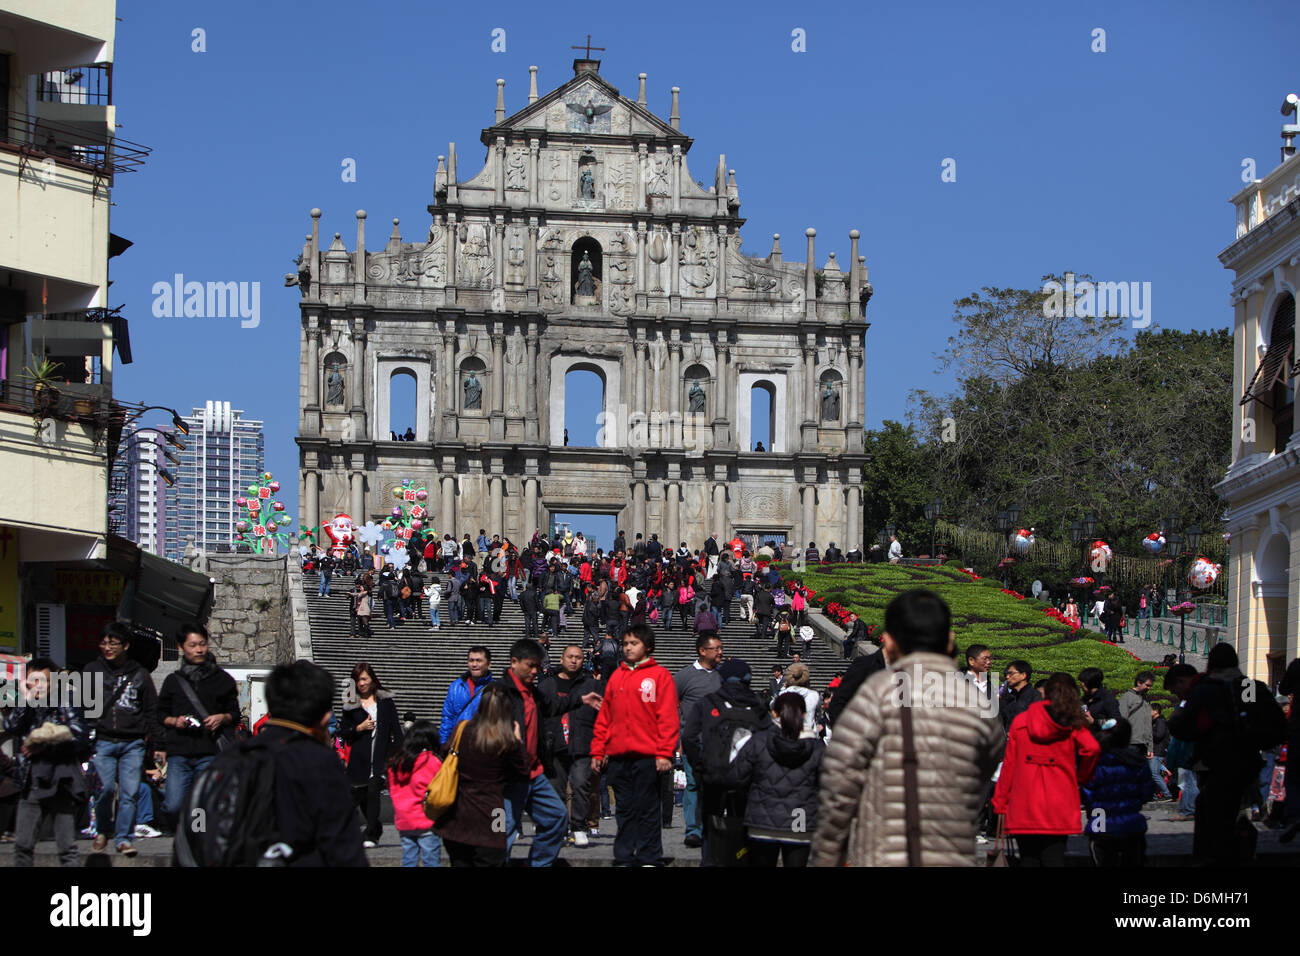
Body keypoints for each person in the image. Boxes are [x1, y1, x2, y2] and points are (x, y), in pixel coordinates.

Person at [811, 590, 1005, 866]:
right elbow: (990, 758)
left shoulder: (879, 691)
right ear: (946, 639)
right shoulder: (969, 698)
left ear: (891, 639)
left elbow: (840, 782)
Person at [1168, 643, 1287, 864]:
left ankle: (1215, 858)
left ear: (1211, 663)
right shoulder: (1248, 686)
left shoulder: (1205, 688)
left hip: (1214, 764)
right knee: (1238, 813)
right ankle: (1241, 854)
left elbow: (1181, 726)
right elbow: (1262, 718)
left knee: (1211, 817)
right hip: (1246, 764)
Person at [501, 638, 602, 866]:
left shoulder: (533, 691)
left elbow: (553, 705)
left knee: (557, 817)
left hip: (534, 772)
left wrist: (581, 700)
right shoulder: (498, 692)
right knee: (504, 829)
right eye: (531, 665)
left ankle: (539, 863)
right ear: (514, 662)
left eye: (538, 666)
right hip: (509, 773)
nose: (536, 671)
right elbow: (485, 731)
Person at [590, 623, 680, 866]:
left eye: (634, 644)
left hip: (648, 755)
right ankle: (624, 855)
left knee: (648, 808)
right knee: (624, 809)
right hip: (619, 755)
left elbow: (668, 717)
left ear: (647, 647)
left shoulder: (659, 676)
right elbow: (605, 718)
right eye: (625, 644)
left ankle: (649, 855)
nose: (628, 648)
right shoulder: (617, 676)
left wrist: (664, 752)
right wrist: (599, 750)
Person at [993, 672, 1101, 867]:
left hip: (1024, 799)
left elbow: (1009, 765)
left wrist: (1000, 800)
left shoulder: (1022, 721)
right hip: (1059, 798)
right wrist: (1081, 778)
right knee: (1055, 858)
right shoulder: (1072, 722)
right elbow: (1092, 748)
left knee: (1027, 859)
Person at [82, 621, 163, 857]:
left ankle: (124, 838)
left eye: (113, 643)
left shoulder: (140, 675)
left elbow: (151, 712)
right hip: (104, 740)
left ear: (125, 645)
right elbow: (85, 709)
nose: (107, 647)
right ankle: (103, 830)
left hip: (133, 743)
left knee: (130, 792)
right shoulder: (91, 671)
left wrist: (158, 745)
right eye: (104, 643)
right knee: (105, 789)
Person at [4, 658, 91, 867]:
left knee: (66, 847)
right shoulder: (27, 705)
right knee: (23, 845)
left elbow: (80, 735)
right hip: (31, 780)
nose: (39, 686)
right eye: (34, 680)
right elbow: (11, 726)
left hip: (61, 780)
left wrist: (44, 743)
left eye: (44, 680)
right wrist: (25, 701)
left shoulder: (66, 699)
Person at [157, 623, 240, 834]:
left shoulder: (223, 680)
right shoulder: (173, 682)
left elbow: (235, 714)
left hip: (209, 750)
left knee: (202, 803)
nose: (199, 650)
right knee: (173, 803)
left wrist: (222, 717)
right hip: (179, 751)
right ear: (181, 648)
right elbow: (160, 714)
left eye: (202, 644)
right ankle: (181, 832)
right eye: (192, 645)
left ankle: (197, 839)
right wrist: (175, 721)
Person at [434, 683, 530, 866]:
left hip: (458, 814)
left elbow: (445, 753)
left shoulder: (463, 729)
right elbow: (522, 772)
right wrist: (518, 742)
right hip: (494, 813)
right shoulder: (507, 740)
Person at [732, 692, 824, 867]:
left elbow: (738, 777)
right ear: (804, 714)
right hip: (801, 822)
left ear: (773, 713)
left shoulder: (757, 741)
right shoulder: (817, 748)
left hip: (761, 821)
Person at [539, 644, 604, 848]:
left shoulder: (592, 685)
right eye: (570, 656)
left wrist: (602, 747)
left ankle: (578, 827)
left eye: (578, 657)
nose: (574, 660)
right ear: (561, 659)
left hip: (583, 743)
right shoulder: (546, 686)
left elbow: (604, 716)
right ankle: (558, 829)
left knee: (580, 786)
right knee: (555, 790)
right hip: (554, 744)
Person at [339, 662, 404, 847]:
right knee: (359, 796)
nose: (361, 683)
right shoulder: (351, 705)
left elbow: (396, 730)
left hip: (380, 756)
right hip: (360, 758)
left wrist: (397, 753)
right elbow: (343, 732)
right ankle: (374, 826)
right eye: (358, 680)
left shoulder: (385, 702)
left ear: (372, 679)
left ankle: (370, 834)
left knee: (373, 789)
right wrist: (358, 728)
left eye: (365, 679)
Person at [1080, 716, 1156, 866]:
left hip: (1100, 822)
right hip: (1131, 823)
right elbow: (1146, 793)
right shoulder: (1137, 761)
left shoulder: (1095, 760)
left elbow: (1086, 793)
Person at [674, 633, 723, 850]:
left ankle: (713, 826)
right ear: (702, 651)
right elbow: (670, 705)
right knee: (693, 784)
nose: (720, 652)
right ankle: (693, 829)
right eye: (716, 648)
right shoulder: (684, 676)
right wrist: (678, 738)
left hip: (720, 743)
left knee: (716, 787)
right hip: (693, 742)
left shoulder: (723, 677)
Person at [386, 720, 443, 867]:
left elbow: (393, 789)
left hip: (404, 818)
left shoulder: (397, 761)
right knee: (431, 860)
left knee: (409, 858)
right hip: (426, 818)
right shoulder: (431, 761)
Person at [1120, 670, 1172, 799]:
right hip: (1131, 742)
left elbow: (1148, 724)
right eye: (1147, 685)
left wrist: (1150, 747)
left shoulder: (1145, 700)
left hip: (1142, 743)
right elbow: (1122, 720)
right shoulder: (1127, 697)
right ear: (1139, 682)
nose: (1148, 688)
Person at [1162, 663, 1201, 823]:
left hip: (1200, 756)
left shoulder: (1198, 697)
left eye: (1175, 692)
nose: (1178, 696)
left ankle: (1187, 810)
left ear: (1181, 681)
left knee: (1189, 783)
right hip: (1198, 757)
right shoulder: (1198, 695)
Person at [439, 647, 495, 745]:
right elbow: (447, 718)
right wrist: (443, 744)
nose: (474, 664)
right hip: (458, 744)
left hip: (483, 745)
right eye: (471, 660)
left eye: (479, 661)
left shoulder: (495, 689)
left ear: (488, 664)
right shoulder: (455, 687)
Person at [999, 660, 1041, 732]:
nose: (1007, 677)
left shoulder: (1034, 696)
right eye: (1006, 674)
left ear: (1023, 675)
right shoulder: (1007, 696)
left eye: (1011, 673)